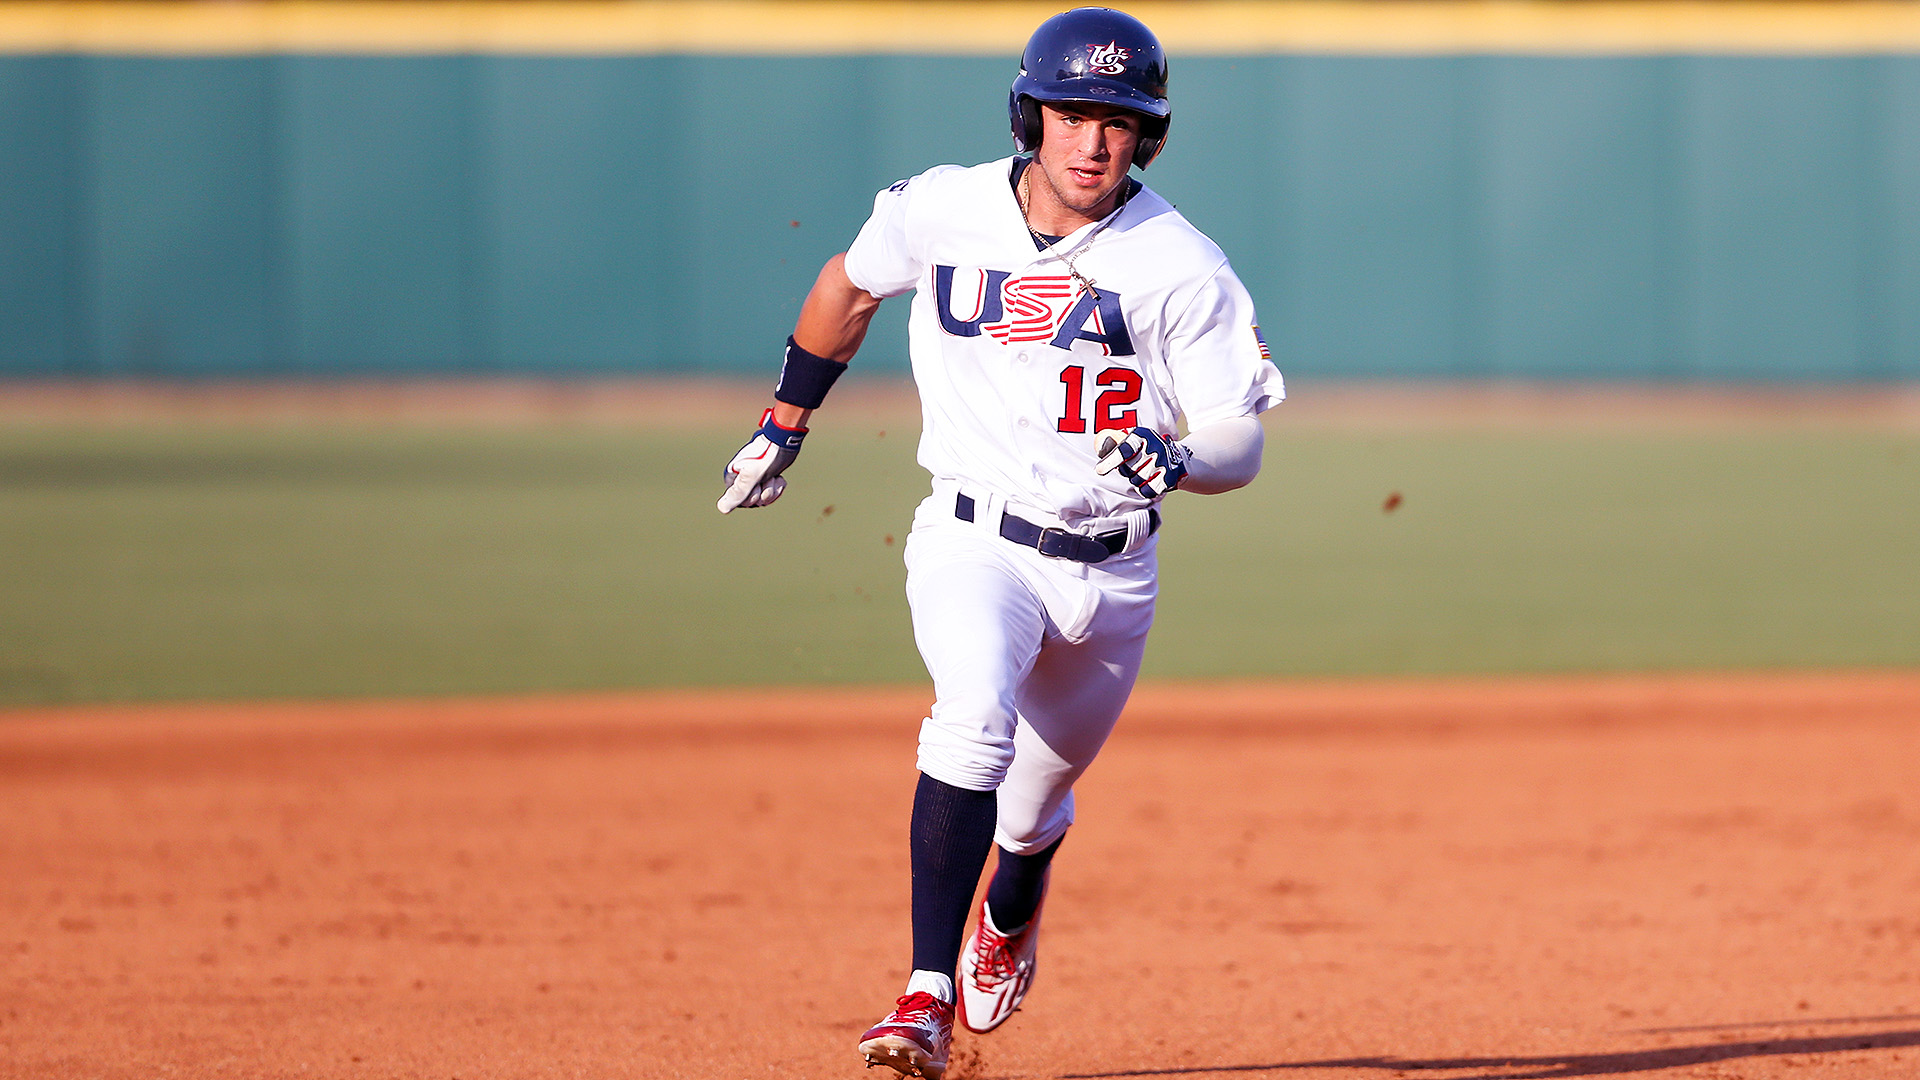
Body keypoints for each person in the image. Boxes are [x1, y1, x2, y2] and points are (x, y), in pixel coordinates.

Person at [716, 8, 1284, 1077]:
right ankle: (924, 995)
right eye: (1072, 114)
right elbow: (848, 283)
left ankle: (1016, 898)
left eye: (1119, 121)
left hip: (1112, 575)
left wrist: (1179, 456)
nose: (1092, 142)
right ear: (1031, 113)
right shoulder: (944, 208)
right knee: (971, 719)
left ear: (1148, 135)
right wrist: (784, 420)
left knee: (1028, 809)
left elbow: (1239, 438)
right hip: (975, 538)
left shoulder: (1180, 263)